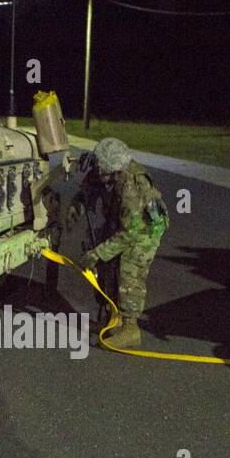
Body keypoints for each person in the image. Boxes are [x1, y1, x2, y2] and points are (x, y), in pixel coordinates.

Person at [75, 137, 170, 348]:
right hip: (122, 222)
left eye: (104, 171)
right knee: (108, 267)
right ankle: (112, 320)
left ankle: (130, 329)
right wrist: (76, 206)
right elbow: (87, 188)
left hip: (145, 230)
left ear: (114, 169)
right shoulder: (103, 168)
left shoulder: (132, 185)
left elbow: (130, 233)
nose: (101, 173)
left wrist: (97, 253)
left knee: (129, 270)